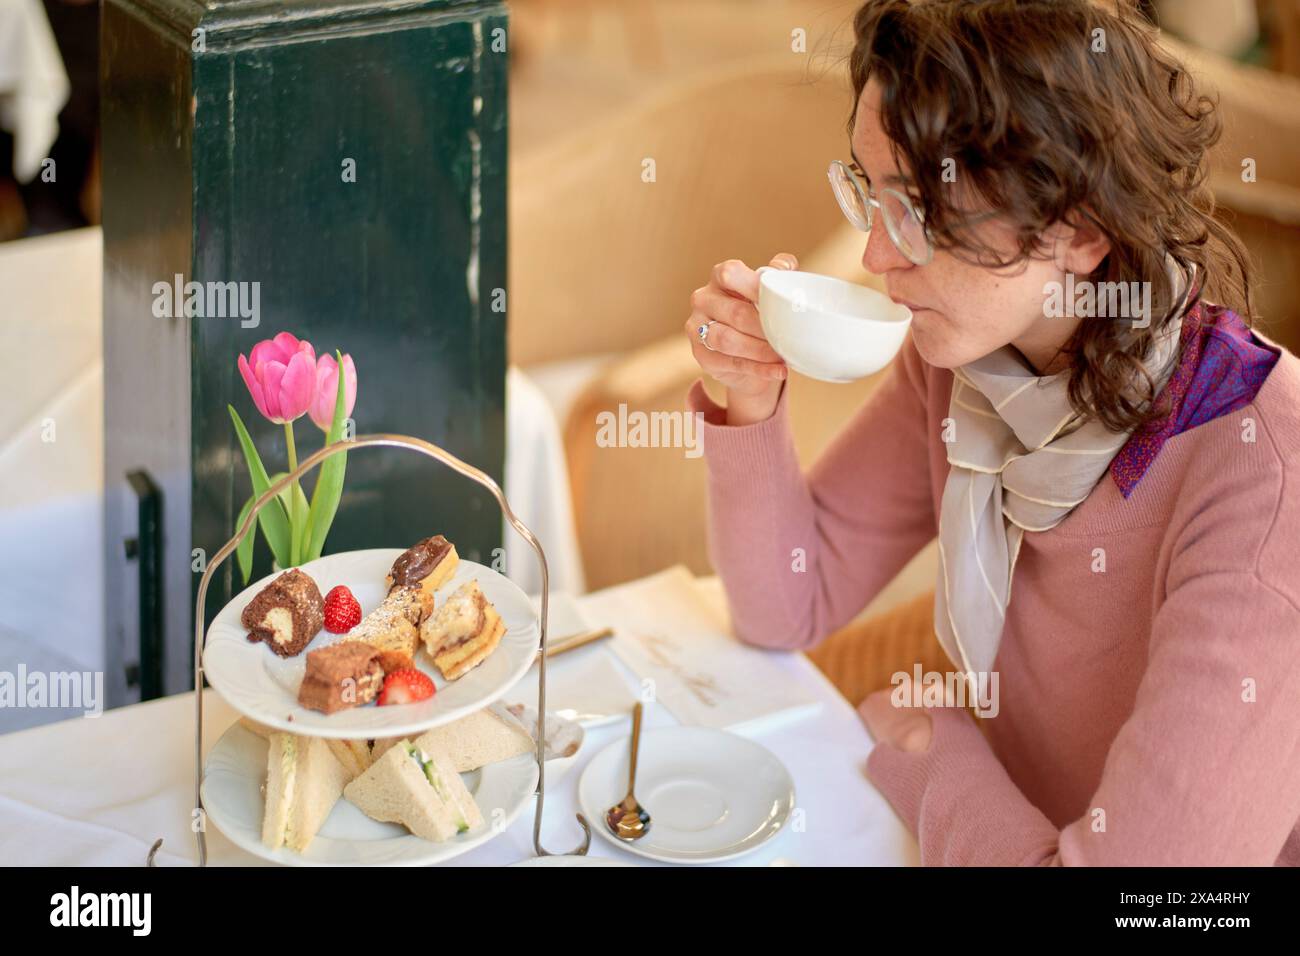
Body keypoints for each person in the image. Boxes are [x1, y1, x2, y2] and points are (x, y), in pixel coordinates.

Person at [683, 0, 1300, 865]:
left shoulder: (1266, 480)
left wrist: (930, 758)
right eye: (871, 193)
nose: (874, 259)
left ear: (1079, 230)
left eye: (920, 214)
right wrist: (748, 400)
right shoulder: (967, 358)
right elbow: (789, 600)